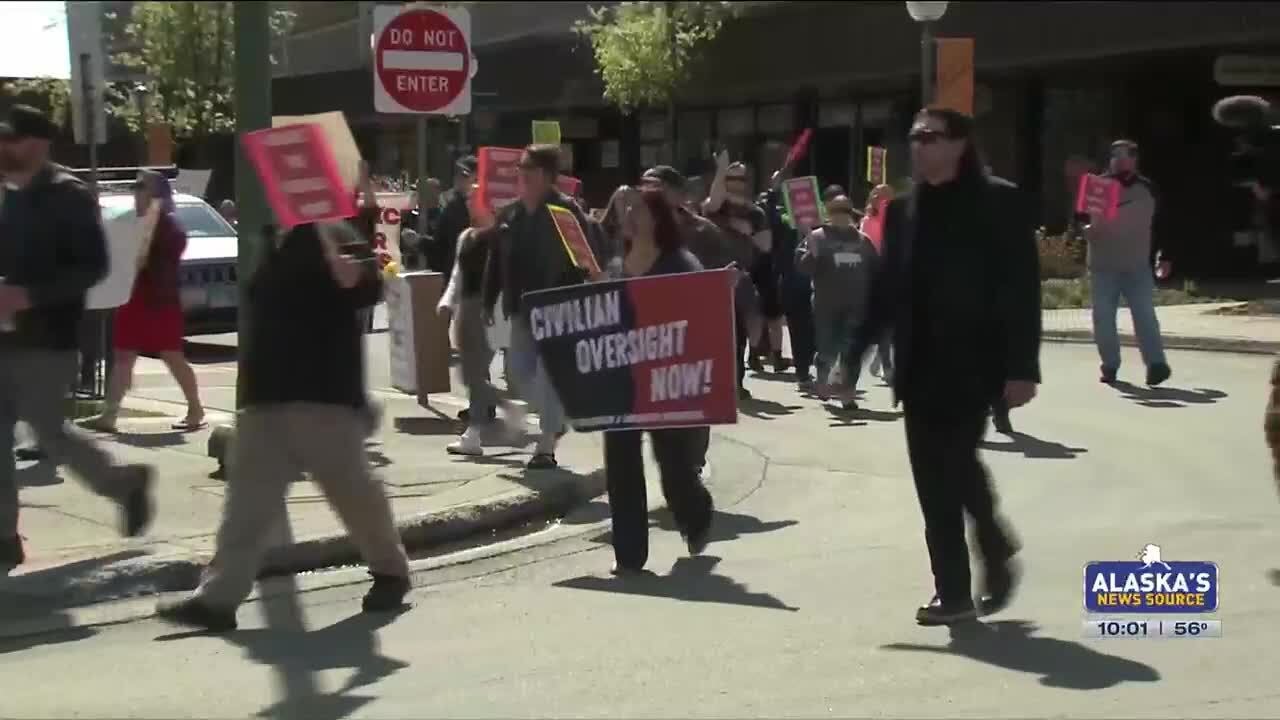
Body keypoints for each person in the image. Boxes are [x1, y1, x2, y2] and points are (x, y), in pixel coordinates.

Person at [157, 219, 411, 632]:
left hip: (322, 393)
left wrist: (355, 271)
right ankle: (218, 599)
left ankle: (390, 572)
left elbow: (372, 279)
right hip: (265, 396)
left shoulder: (333, 229)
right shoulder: (272, 236)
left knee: (352, 493)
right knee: (246, 504)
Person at [849, 108, 1040, 625]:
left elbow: (1022, 290)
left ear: (960, 144)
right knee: (933, 481)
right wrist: (850, 359)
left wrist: (1023, 367)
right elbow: (885, 291)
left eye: (930, 137)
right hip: (919, 366)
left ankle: (991, 544)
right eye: (914, 137)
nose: (919, 145)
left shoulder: (999, 201)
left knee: (952, 463)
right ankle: (954, 591)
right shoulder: (905, 210)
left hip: (977, 362)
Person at [0, 106, 154, 570]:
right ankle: (4, 536)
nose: (4, 147)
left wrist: (30, 296)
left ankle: (124, 482)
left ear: (41, 143)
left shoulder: (68, 195)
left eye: (13, 139)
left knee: (49, 432)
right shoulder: (6, 194)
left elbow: (94, 268)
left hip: (48, 339)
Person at [604, 187, 714, 573]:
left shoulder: (680, 263)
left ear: (658, 218)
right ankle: (629, 554)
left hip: (666, 381)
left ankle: (696, 512)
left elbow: (705, 310)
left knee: (673, 467)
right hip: (620, 382)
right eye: (625, 208)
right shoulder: (615, 265)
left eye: (639, 209)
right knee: (620, 464)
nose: (630, 214)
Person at [482, 145, 593, 469]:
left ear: (545, 175)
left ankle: (546, 445)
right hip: (521, 307)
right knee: (518, 372)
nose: (520, 175)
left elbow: (586, 258)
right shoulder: (511, 214)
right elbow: (495, 259)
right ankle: (555, 419)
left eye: (526, 169)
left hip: (559, 309)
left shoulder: (566, 211)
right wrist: (489, 299)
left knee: (548, 376)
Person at [84, 171, 204, 433]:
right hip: (132, 298)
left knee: (171, 355)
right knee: (123, 356)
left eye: (141, 186)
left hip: (160, 301)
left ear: (157, 193)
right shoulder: (129, 221)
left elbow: (163, 255)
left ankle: (195, 408)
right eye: (134, 185)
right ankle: (109, 416)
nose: (135, 191)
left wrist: (148, 238)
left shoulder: (169, 225)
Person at [443, 183, 524, 456]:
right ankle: (500, 411)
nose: (468, 202)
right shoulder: (466, 236)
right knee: (471, 375)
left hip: (489, 309)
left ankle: (474, 434)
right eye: (466, 197)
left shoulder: (501, 235)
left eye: (473, 197)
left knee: (474, 373)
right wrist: (447, 302)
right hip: (466, 308)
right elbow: (457, 274)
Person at [1083, 140, 1172, 387]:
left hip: (1137, 265)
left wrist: (1165, 256)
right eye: (1116, 154)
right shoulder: (1098, 186)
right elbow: (1079, 220)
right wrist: (1089, 228)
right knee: (1103, 318)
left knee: (1145, 315)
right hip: (1104, 266)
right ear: (1110, 158)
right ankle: (1110, 365)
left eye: (1128, 154)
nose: (1122, 159)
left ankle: (1156, 365)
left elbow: (1162, 223)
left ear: (1135, 159)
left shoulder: (1148, 188)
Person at [798, 194, 878, 408]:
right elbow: (803, 269)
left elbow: (876, 270)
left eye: (845, 210)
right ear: (828, 213)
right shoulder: (816, 237)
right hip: (826, 305)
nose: (841, 215)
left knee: (851, 351)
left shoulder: (863, 240)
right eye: (836, 210)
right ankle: (822, 380)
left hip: (857, 306)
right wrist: (811, 255)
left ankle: (848, 395)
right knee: (827, 347)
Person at [703, 154, 770, 399]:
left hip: (740, 277)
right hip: (711, 278)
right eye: (730, 178)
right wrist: (721, 169)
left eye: (740, 179)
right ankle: (715, 382)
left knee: (740, 332)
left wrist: (749, 232)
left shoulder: (755, 212)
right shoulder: (716, 204)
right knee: (713, 335)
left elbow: (766, 245)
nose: (735, 183)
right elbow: (711, 203)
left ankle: (737, 381)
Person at [763, 170, 817, 389]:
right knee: (797, 326)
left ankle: (810, 360)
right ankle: (802, 372)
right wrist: (773, 190)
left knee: (813, 328)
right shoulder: (780, 218)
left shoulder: (814, 217)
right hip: (790, 278)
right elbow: (767, 214)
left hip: (814, 279)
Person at [861, 184, 895, 384]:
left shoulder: (895, 217)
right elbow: (868, 245)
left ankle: (880, 359)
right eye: (876, 194)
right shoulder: (867, 220)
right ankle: (886, 364)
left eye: (885, 195)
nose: (880, 198)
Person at [401, 177, 445, 271]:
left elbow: (441, 244)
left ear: (436, 193)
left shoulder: (443, 216)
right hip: (410, 266)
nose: (419, 195)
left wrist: (419, 240)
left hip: (433, 268)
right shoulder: (412, 213)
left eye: (424, 191)